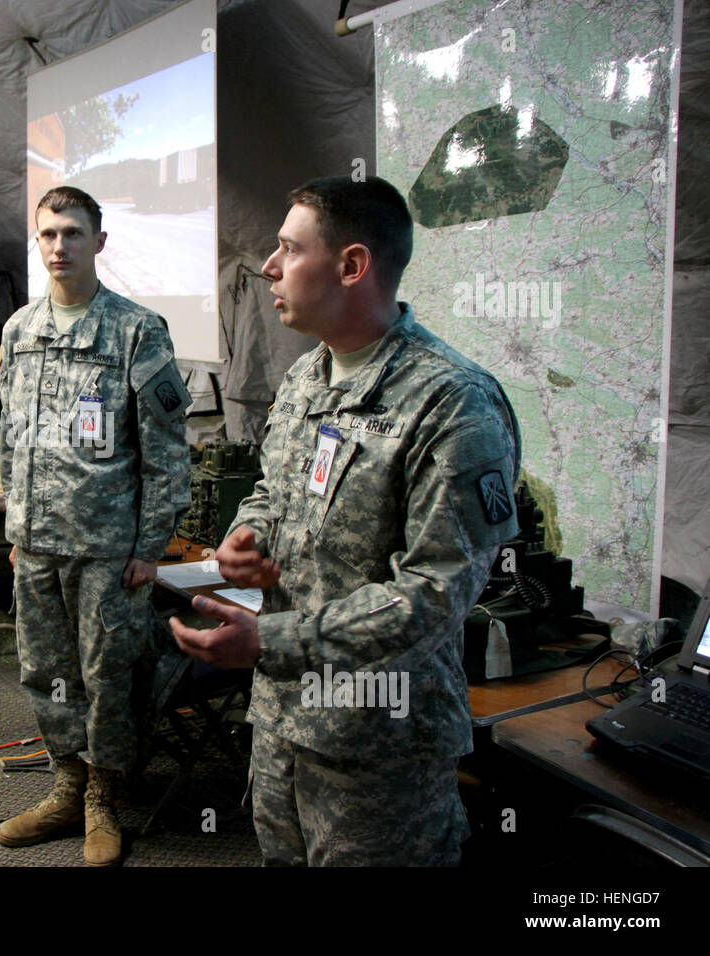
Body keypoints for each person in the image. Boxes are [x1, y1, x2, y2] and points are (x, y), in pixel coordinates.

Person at [170, 176, 522, 866]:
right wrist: (248, 534)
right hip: (281, 726)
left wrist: (274, 639)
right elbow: (277, 488)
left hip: (380, 750)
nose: (269, 267)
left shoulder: (452, 405)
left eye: (288, 249)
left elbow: (437, 590)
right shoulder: (308, 377)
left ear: (352, 266)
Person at [0, 186, 191, 866]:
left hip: (109, 551)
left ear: (99, 243)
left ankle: (104, 798)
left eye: (74, 233)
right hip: (38, 544)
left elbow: (168, 451)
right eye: (48, 234)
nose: (59, 246)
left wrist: (149, 547)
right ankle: (66, 786)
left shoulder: (136, 331)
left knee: (106, 674)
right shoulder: (20, 332)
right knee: (44, 672)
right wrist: (17, 528)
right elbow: (11, 437)